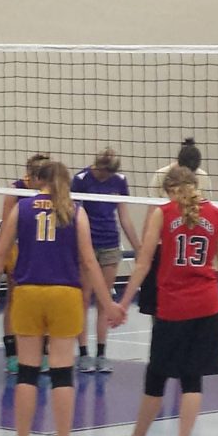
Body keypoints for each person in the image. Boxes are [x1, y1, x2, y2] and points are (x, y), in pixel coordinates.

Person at [0, 160, 127, 436]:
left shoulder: (23, 208)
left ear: (37, 181)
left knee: (28, 372)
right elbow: (88, 261)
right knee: (61, 373)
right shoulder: (76, 211)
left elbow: (1, 252)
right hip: (65, 295)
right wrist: (109, 303)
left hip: (29, 292)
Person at [107, 167, 218, 436]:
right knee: (192, 380)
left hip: (172, 306)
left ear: (169, 189)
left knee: (157, 376)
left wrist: (123, 302)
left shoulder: (163, 213)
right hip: (207, 306)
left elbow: (143, 264)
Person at [71, 148, 142, 373]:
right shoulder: (81, 180)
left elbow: (124, 217)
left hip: (110, 243)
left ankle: (101, 353)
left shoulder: (119, 181)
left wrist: (139, 248)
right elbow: (74, 215)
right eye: (104, 174)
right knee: (83, 297)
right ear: (98, 167)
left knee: (105, 300)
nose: (106, 178)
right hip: (87, 245)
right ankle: (83, 353)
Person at [139, 138, 209, 317]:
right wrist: (145, 246)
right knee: (157, 301)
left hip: (188, 247)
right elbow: (151, 211)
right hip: (163, 245)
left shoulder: (203, 178)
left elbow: (204, 212)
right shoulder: (162, 175)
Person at [0, 154, 50, 374]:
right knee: (14, 300)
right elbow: (5, 230)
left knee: (45, 301)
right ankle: (12, 354)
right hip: (19, 250)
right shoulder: (16, 190)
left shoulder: (54, 192)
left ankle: (44, 353)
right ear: (31, 175)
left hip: (45, 251)